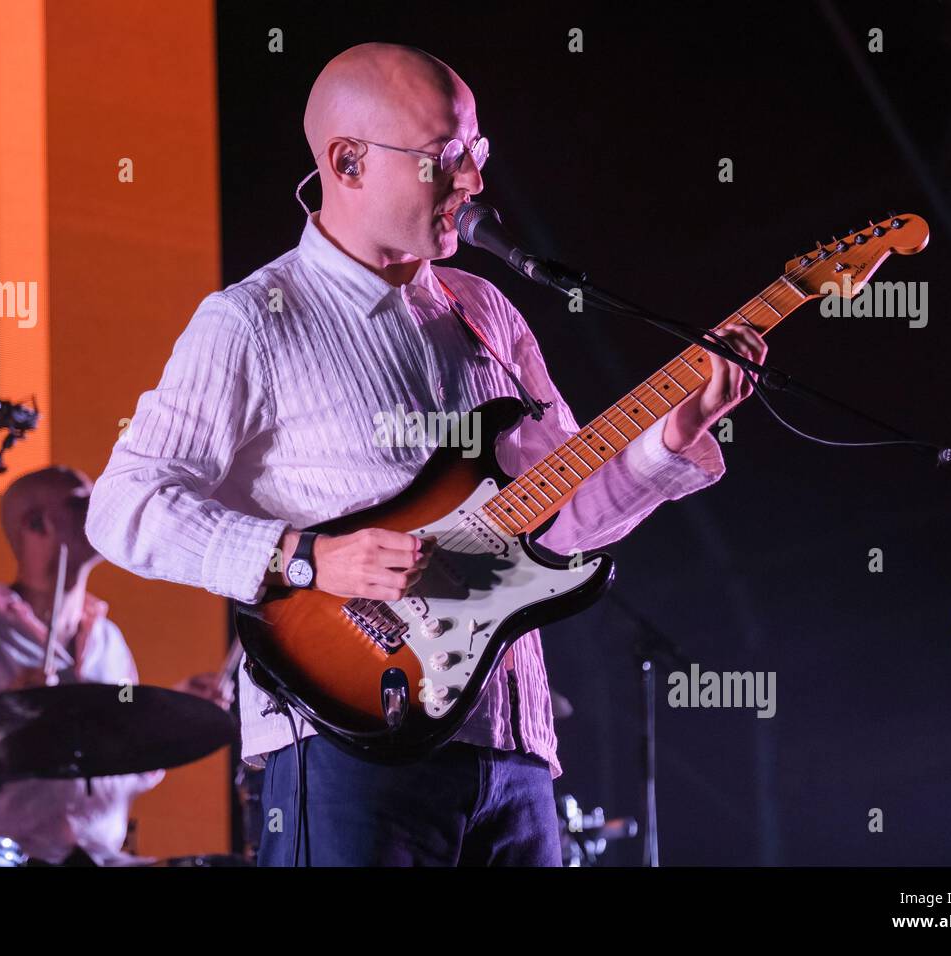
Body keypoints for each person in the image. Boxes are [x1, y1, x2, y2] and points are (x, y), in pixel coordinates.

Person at [85, 42, 767, 866]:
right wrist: (305, 558)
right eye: (446, 157)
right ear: (347, 161)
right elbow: (124, 504)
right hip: (345, 745)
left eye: (476, 152)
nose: (475, 180)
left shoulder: (484, 309)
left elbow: (565, 521)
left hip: (513, 746)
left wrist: (671, 436)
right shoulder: (251, 321)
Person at [0, 465, 229, 865]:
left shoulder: (108, 640)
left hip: (98, 857)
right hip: (4, 858)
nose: (102, 506)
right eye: (82, 502)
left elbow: (120, 768)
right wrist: (3, 712)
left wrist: (165, 716)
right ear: (36, 525)